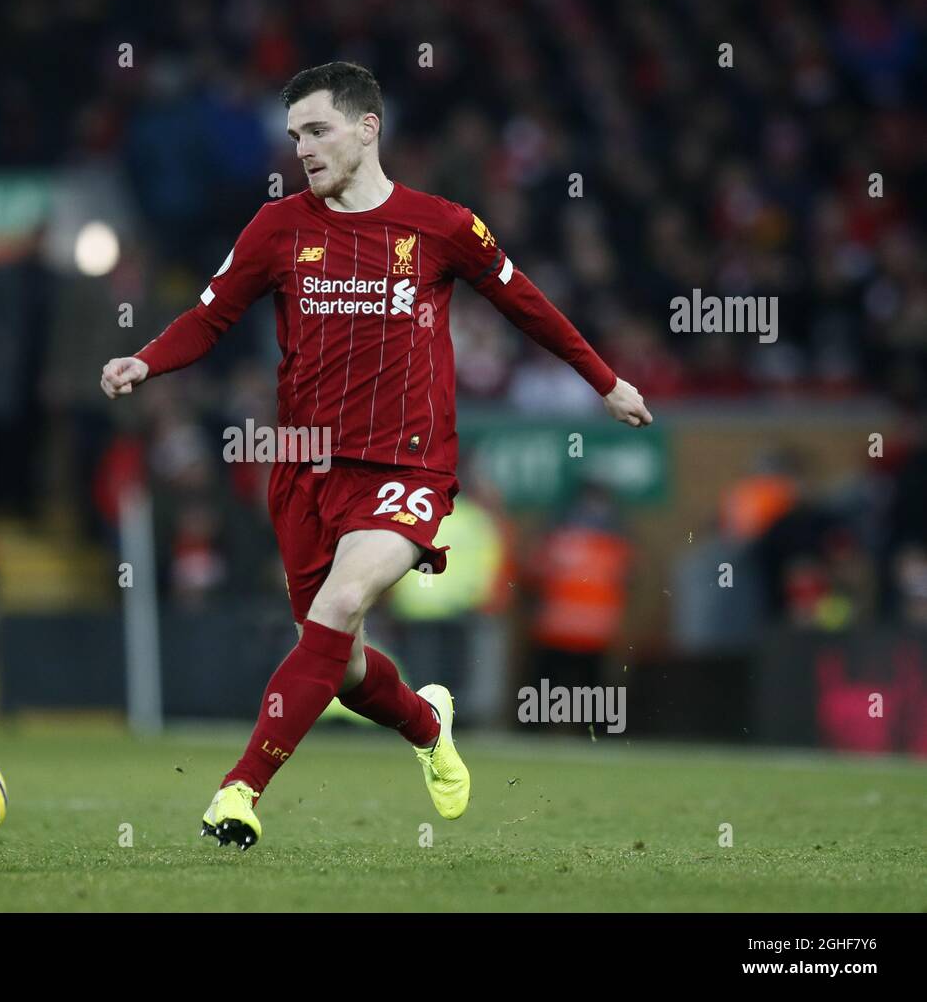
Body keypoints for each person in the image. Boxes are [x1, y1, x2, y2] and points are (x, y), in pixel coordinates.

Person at [101, 62, 652, 850]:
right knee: (340, 658)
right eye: (294, 137)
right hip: (302, 469)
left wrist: (606, 381)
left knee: (335, 609)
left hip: (407, 468)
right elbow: (209, 316)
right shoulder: (278, 228)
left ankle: (238, 792)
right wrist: (145, 361)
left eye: (318, 130)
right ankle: (428, 722)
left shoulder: (443, 226)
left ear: (368, 128)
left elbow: (527, 304)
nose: (304, 150)